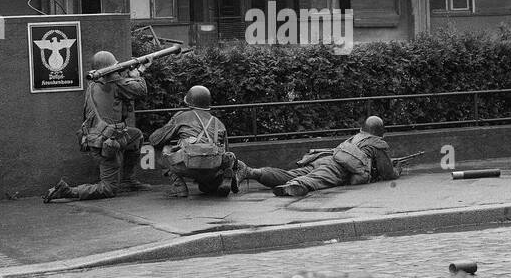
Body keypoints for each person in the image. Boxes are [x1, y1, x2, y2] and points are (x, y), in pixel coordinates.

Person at [44, 49, 150, 202]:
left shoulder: (95, 83)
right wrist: (137, 73)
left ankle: (128, 180)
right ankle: (67, 191)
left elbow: (118, 85)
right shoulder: (115, 84)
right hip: (105, 143)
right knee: (108, 188)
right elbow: (140, 91)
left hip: (97, 137)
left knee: (136, 135)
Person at [238, 116, 402, 199]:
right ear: (381, 132)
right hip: (338, 168)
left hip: (324, 157)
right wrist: (397, 170)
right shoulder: (378, 143)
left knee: (292, 173)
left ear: (363, 128)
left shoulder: (357, 137)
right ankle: (294, 186)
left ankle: (252, 172)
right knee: (315, 179)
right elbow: (387, 173)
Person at [148, 84, 239, 197]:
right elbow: (225, 149)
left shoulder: (182, 117)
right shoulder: (218, 123)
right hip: (212, 168)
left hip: (187, 166)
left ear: (189, 101)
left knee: (161, 147)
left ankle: (178, 186)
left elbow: (154, 140)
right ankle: (224, 177)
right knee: (210, 182)